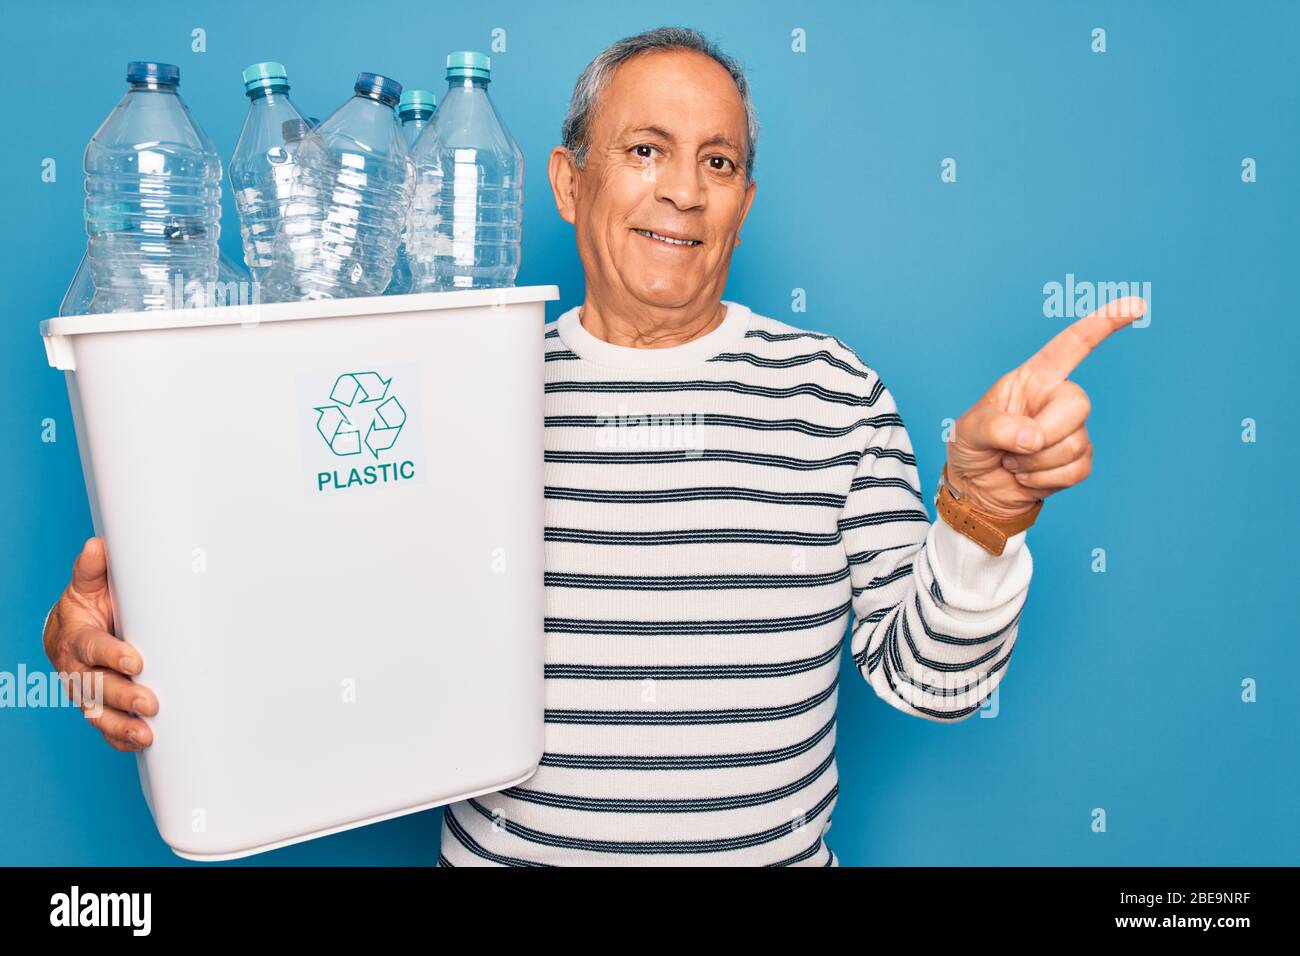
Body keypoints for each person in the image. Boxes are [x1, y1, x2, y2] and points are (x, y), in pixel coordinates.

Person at [43, 26, 1144, 866]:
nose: (683, 190)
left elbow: (933, 684)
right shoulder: (458, 388)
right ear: (570, 184)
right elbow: (304, 607)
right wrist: (125, 643)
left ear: (745, 203)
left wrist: (982, 517)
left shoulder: (834, 393)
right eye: (646, 149)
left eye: (719, 163)